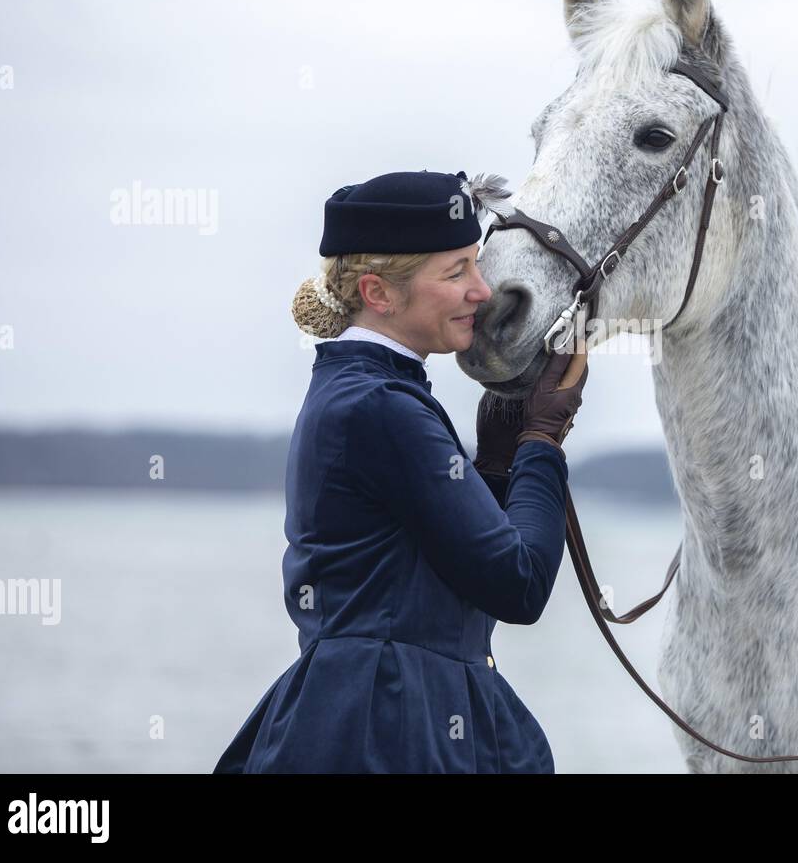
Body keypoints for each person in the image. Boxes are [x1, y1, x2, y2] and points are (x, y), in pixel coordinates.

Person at [212, 170, 588, 773]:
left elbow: (453, 572)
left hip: (367, 711)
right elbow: (520, 584)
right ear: (378, 293)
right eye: (456, 271)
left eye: (477, 264)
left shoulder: (366, 391)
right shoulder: (381, 405)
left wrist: (496, 464)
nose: (483, 291)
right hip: (391, 728)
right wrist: (543, 441)